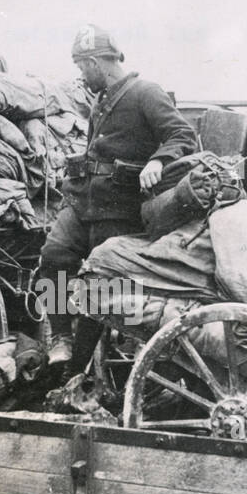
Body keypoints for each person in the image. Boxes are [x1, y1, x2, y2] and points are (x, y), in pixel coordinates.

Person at [38, 24, 198, 365]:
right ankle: (61, 337)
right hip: (84, 203)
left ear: (96, 63)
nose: (81, 74)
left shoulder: (145, 93)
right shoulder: (101, 99)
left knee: (101, 285)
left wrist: (158, 159)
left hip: (119, 208)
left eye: (82, 66)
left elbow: (182, 134)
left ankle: (77, 368)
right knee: (54, 256)